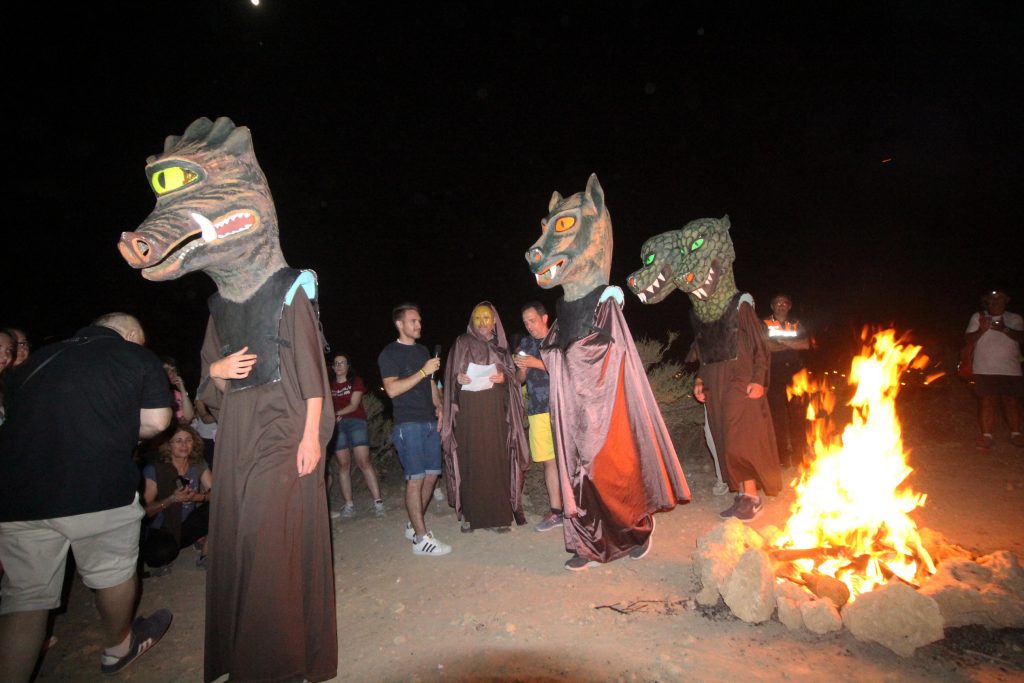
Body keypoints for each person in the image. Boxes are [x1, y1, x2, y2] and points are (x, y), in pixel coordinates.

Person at [0, 313, 173, 680]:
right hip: (96, 489)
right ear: (129, 335)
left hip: (19, 497)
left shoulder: (37, 360)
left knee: (25, 598)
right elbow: (158, 422)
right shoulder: (136, 357)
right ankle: (119, 647)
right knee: (113, 574)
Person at [441, 302, 529, 533]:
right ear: (472, 320)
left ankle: (499, 516)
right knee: (471, 459)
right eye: (477, 317)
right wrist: (458, 379)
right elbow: (450, 379)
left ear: (494, 321)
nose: (482, 322)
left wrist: (504, 379)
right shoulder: (462, 343)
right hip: (469, 414)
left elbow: (513, 380)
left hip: (495, 415)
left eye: (486, 318)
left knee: (496, 459)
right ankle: (471, 516)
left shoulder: (500, 347)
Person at [378, 303, 451, 556]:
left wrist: (440, 407)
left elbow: (431, 385)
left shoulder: (422, 350)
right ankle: (421, 539)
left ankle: (413, 523)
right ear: (400, 324)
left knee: (431, 476)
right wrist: (423, 371)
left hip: (429, 421)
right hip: (407, 424)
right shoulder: (389, 354)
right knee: (415, 479)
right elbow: (392, 389)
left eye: (419, 321)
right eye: (413, 321)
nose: (419, 325)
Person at [514, 302, 564, 532]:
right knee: (548, 462)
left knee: (571, 460)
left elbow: (568, 366)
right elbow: (520, 380)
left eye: (532, 320)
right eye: (525, 322)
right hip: (537, 409)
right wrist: (521, 369)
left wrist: (536, 363)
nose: (529, 326)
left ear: (545, 318)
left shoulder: (560, 336)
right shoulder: (526, 343)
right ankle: (557, 512)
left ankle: (579, 507)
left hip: (563, 408)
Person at [142, 425, 213, 572]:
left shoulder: (198, 464)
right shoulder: (156, 469)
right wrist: (172, 499)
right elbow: (145, 510)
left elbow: (217, 495)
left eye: (188, 440)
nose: (184, 445)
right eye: (178, 440)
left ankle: (205, 553)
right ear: (169, 445)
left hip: (186, 525)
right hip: (163, 527)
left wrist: (198, 497)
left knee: (218, 507)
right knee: (159, 556)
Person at [965, 289, 1024, 449]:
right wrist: (981, 330)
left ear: (1006, 301)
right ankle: (987, 436)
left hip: (1010, 368)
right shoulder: (978, 317)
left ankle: (1016, 434)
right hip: (984, 368)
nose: (995, 302)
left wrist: (1004, 328)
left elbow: (1021, 337)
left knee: (1011, 402)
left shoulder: (1014, 318)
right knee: (987, 401)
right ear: (986, 301)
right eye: (991, 299)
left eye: (999, 299)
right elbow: (968, 339)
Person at [329, 353, 384, 518]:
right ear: (333, 367)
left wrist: (336, 413)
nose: (339, 366)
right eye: (336, 363)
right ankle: (349, 505)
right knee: (343, 465)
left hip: (355, 422)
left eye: (342, 363)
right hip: (338, 426)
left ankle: (378, 502)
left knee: (364, 461)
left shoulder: (355, 381)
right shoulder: (329, 386)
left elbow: (354, 405)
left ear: (347, 366)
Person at [762, 294, 810, 467]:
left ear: (789, 306)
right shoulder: (765, 323)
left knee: (798, 414)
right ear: (772, 306)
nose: (781, 305)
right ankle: (783, 457)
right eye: (777, 302)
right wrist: (791, 342)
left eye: (784, 303)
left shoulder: (796, 324)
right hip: (774, 372)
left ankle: (799, 456)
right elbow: (765, 345)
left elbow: (806, 343)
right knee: (777, 417)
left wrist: (782, 342)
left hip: (796, 373)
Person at [162, 356, 195, 426]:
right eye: (167, 370)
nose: (172, 374)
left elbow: (189, 416)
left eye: (174, 370)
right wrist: (177, 423)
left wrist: (182, 389)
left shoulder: (178, 394)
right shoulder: (156, 393)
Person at [192, 397, 218, 470]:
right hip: (207, 438)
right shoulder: (200, 394)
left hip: (220, 436)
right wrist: (223, 415)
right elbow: (205, 418)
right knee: (210, 467)